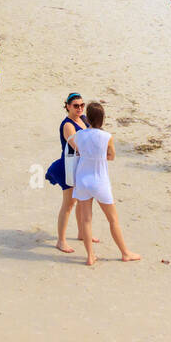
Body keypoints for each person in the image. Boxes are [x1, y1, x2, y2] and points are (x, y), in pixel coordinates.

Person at [69, 102, 140, 266]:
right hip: (99, 181)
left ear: (88, 116)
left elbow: (79, 150)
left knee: (86, 219)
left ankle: (90, 256)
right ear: (102, 119)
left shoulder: (79, 135)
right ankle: (125, 252)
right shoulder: (107, 136)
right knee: (113, 220)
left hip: (82, 179)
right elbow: (111, 156)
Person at [44, 94, 99, 254]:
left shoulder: (84, 119)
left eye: (82, 105)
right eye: (76, 105)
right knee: (68, 204)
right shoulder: (67, 125)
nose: (80, 108)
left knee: (82, 201)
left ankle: (82, 233)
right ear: (67, 106)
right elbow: (77, 146)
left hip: (81, 165)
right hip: (69, 166)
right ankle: (61, 241)